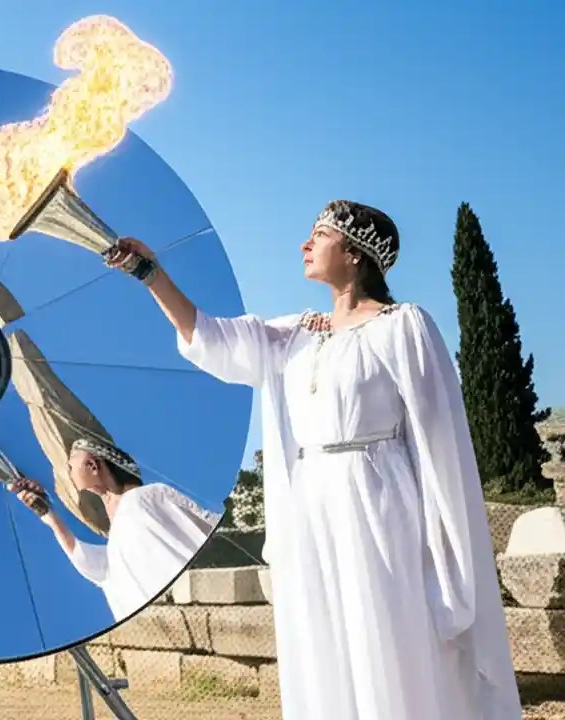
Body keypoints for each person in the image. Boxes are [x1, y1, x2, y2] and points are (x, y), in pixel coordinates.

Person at [103, 200, 521, 719]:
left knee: (383, 636)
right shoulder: (295, 334)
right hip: (309, 512)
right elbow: (211, 337)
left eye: (318, 235)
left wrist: (449, 546)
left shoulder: (402, 326)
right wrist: (150, 273)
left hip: (378, 506)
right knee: (325, 644)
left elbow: (441, 441)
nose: (304, 244)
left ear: (354, 254)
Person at [13, 437, 221, 622]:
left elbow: (206, 532)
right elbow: (94, 565)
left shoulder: (145, 498)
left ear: (92, 466)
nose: (67, 473)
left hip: (197, 610)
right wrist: (48, 514)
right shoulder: (118, 542)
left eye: (71, 466)